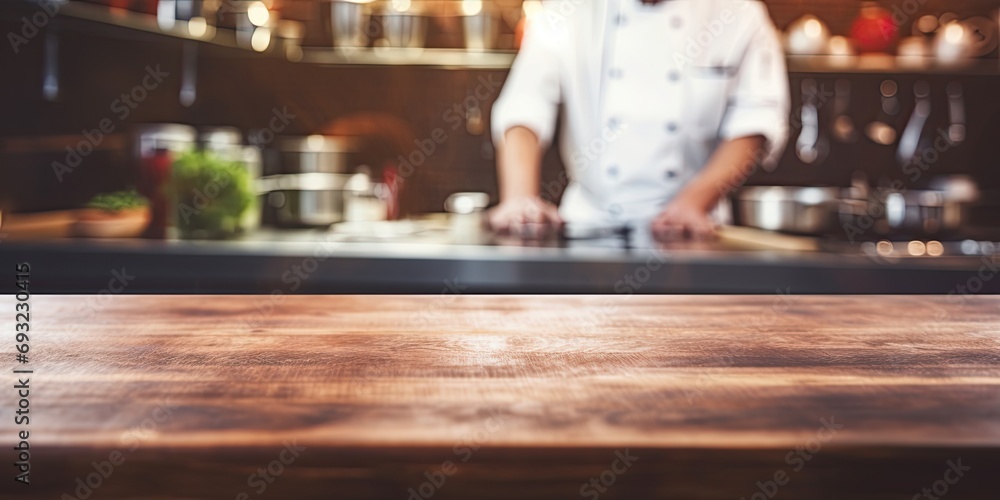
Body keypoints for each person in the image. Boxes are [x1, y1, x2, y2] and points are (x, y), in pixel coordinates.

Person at [490, 0, 790, 239]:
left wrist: (694, 202)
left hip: (694, 233)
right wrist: (519, 199)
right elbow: (524, 107)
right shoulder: (568, 9)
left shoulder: (738, 14)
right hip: (588, 231)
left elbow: (755, 120)